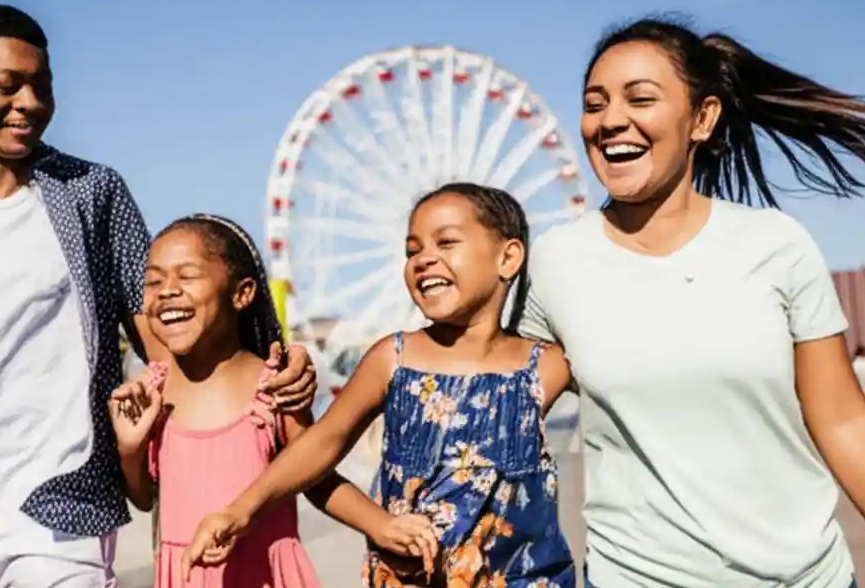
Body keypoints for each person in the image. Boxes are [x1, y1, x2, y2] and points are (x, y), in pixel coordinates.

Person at [0, 3, 318, 588]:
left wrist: (271, 373)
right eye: (8, 85)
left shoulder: (94, 196)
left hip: (65, 514)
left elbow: (166, 332)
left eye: (42, 86)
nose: (30, 102)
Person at [521, 16, 865, 587]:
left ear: (702, 118)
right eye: (594, 103)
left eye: (640, 98)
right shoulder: (555, 262)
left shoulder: (777, 244)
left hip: (806, 578)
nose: (611, 121)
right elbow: (505, 408)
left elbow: (842, 418)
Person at [184, 184, 576, 587]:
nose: (424, 260)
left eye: (446, 242)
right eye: (412, 251)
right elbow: (321, 444)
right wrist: (242, 509)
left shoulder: (546, 366)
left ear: (508, 257)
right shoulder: (393, 359)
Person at [109, 214, 412, 587]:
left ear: (242, 293)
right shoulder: (154, 390)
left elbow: (315, 476)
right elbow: (143, 498)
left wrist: (381, 526)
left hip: (267, 574)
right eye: (153, 281)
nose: (166, 290)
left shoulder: (274, 386)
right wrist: (129, 448)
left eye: (187, 276)